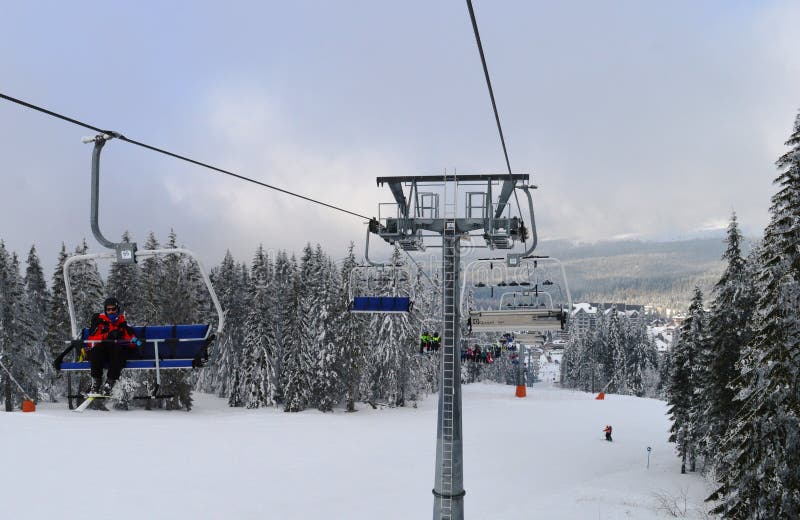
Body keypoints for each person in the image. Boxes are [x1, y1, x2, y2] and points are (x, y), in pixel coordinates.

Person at [85, 297, 142, 395]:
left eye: (113, 309)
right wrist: (106, 335)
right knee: (96, 350)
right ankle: (96, 382)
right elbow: (91, 341)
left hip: (116, 355)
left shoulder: (123, 324)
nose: (111, 312)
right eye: (108, 309)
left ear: (117, 309)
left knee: (118, 349)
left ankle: (110, 382)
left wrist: (123, 340)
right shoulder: (100, 323)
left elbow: (135, 341)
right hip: (103, 353)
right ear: (105, 310)